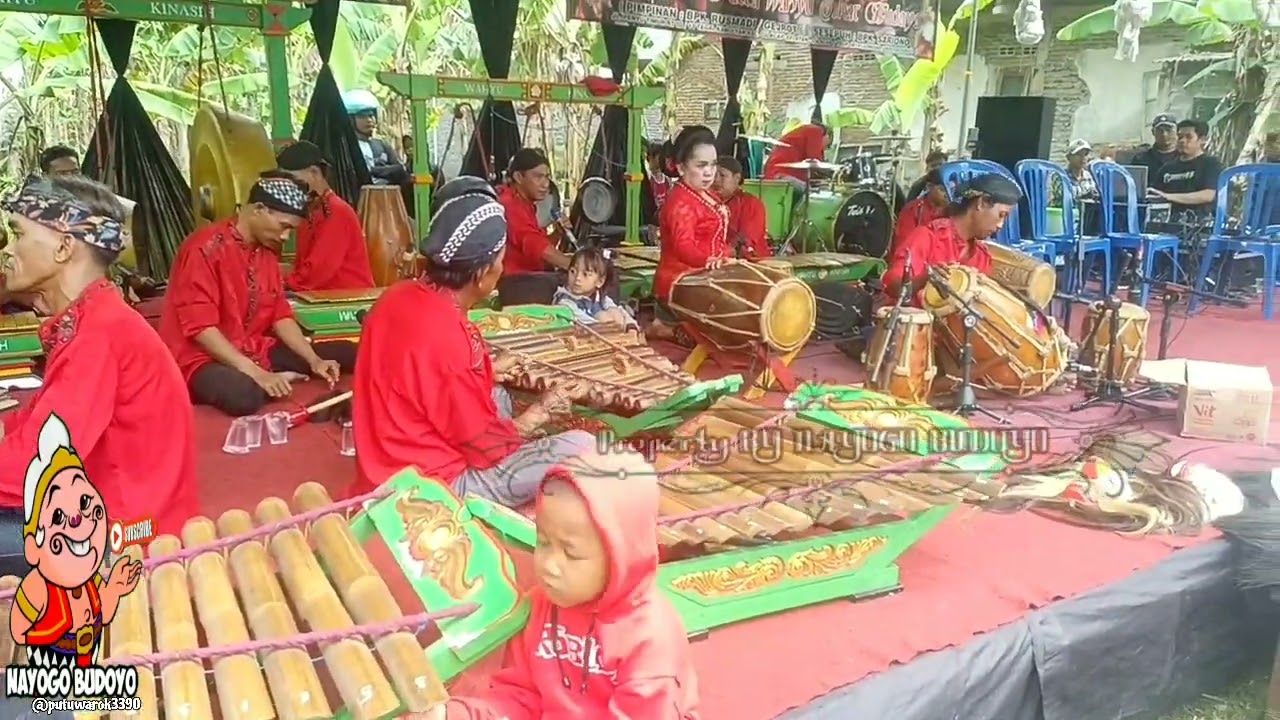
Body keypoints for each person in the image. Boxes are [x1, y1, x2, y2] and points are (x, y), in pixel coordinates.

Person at [348, 177, 595, 507]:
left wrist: (488, 371)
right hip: (431, 487)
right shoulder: (447, 335)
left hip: (384, 462)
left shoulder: (396, 296)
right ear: (482, 273)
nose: (503, 267)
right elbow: (485, 447)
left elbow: (423, 377)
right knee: (581, 443)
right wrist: (540, 412)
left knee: (497, 395)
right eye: (501, 259)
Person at [0, 177, 198, 576]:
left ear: (63, 246)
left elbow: (37, 470)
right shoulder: (94, 318)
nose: (8, 248)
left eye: (18, 233)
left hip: (125, 537)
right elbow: (33, 435)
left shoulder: (99, 334)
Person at [416, 450, 700, 720]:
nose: (549, 564)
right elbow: (519, 697)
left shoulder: (650, 641)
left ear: (621, 555)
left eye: (571, 552)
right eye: (543, 542)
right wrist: (454, 715)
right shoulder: (540, 606)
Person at [159, 171, 358, 417]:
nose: (285, 236)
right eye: (283, 227)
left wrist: (313, 360)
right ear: (259, 209)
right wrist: (258, 374)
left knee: (346, 352)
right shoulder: (204, 249)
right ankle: (260, 380)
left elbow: (280, 315)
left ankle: (275, 376)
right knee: (244, 396)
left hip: (252, 349)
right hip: (200, 358)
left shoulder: (265, 252)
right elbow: (201, 329)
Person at [881, 173, 1021, 306]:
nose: (1000, 225)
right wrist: (924, 279)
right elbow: (891, 286)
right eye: (1001, 215)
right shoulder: (928, 237)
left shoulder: (981, 256)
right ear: (981, 203)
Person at [649, 126, 729, 341]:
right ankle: (665, 328)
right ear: (681, 168)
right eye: (701, 165)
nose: (709, 172)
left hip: (705, 276)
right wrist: (709, 260)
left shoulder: (704, 194)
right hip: (681, 282)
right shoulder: (680, 202)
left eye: (713, 165)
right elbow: (683, 247)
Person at [276, 141, 376, 292]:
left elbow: (316, 272)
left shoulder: (337, 211)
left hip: (347, 303)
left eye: (291, 179)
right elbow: (303, 268)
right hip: (322, 297)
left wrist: (275, 283)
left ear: (314, 172)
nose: (287, 186)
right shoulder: (311, 210)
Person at [495, 148, 572, 305]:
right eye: (538, 177)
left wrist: (559, 232)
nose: (545, 184)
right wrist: (575, 267)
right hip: (516, 283)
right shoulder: (508, 204)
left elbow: (540, 245)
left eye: (547, 177)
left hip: (532, 277)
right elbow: (535, 245)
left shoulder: (526, 203)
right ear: (518, 177)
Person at [1148, 119, 1223, 218]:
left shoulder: (1211, 164)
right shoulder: (1167, 168)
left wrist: (1168, 196)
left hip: (1200, 227)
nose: (1183, 141)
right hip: (1168, 226)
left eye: (1189, 137)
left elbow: (1209, 195)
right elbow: (1156, 195)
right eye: (1180, 137)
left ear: (1202, 140)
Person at [552, 247, 636, 328]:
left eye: (585, 274)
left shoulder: (600, 297)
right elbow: (588, 325)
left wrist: (631, 326)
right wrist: (613, 327)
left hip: (606, 334)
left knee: (615, 312)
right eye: (573, 271)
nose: (577, 278)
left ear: (600, 282)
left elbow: (619, 310)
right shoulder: (565, 302)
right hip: (585, 336)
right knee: (603, 317)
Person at [343, 89, 410, 187]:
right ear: (350, 120)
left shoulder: (382, 145)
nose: (369, 120)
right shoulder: (344, 147)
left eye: (371, 115)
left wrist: (374, 171)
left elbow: (400, 169)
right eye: (363, 116)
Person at [715, 156, 770, 259]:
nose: (716, 180)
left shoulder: (751, 204)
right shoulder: (706, 201)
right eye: (714, 175)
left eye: (722, 175)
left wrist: (718, 253)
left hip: (749, 263)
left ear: (737, 178)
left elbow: (745, 244)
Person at [892, 168, 948, 253]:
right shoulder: (912, 210)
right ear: (929, 187)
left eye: (950, 190)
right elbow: (903, 246)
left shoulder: (953, 211)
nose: (946, 195)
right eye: (942, 190)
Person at [762, 123, 831, 189]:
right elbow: (814, 160)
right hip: (779, 174)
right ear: (827, 136)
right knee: (808, 191)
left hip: (774, 173)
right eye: (828, 145)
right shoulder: (816, 131)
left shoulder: (804, 131)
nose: (824, 149)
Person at [1130, 113, 1180, 178]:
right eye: (1160, 130)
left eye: (1168, 130)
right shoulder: (1141, 159)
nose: (1164, 134)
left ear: (1177, 131)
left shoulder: (1185, 158)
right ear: (1153, 132)